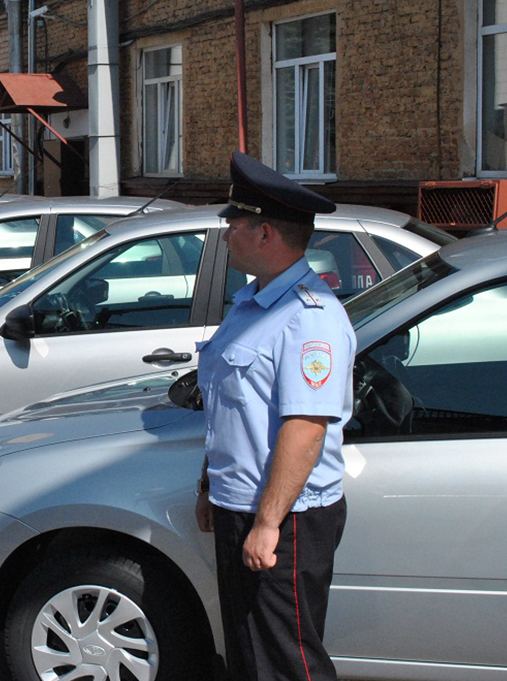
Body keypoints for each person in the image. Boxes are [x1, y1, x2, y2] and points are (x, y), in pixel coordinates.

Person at [194, 151, 354, 681]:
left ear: (265, 234)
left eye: (234, 224)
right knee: (248, 652)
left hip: (286, 517)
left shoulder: (309, 319)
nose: (225, 234)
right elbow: (233, 409)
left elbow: (305, 429)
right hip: (241, 504)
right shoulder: (251, 303)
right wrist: (208, 485)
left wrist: (267, 523)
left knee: (288, 661)